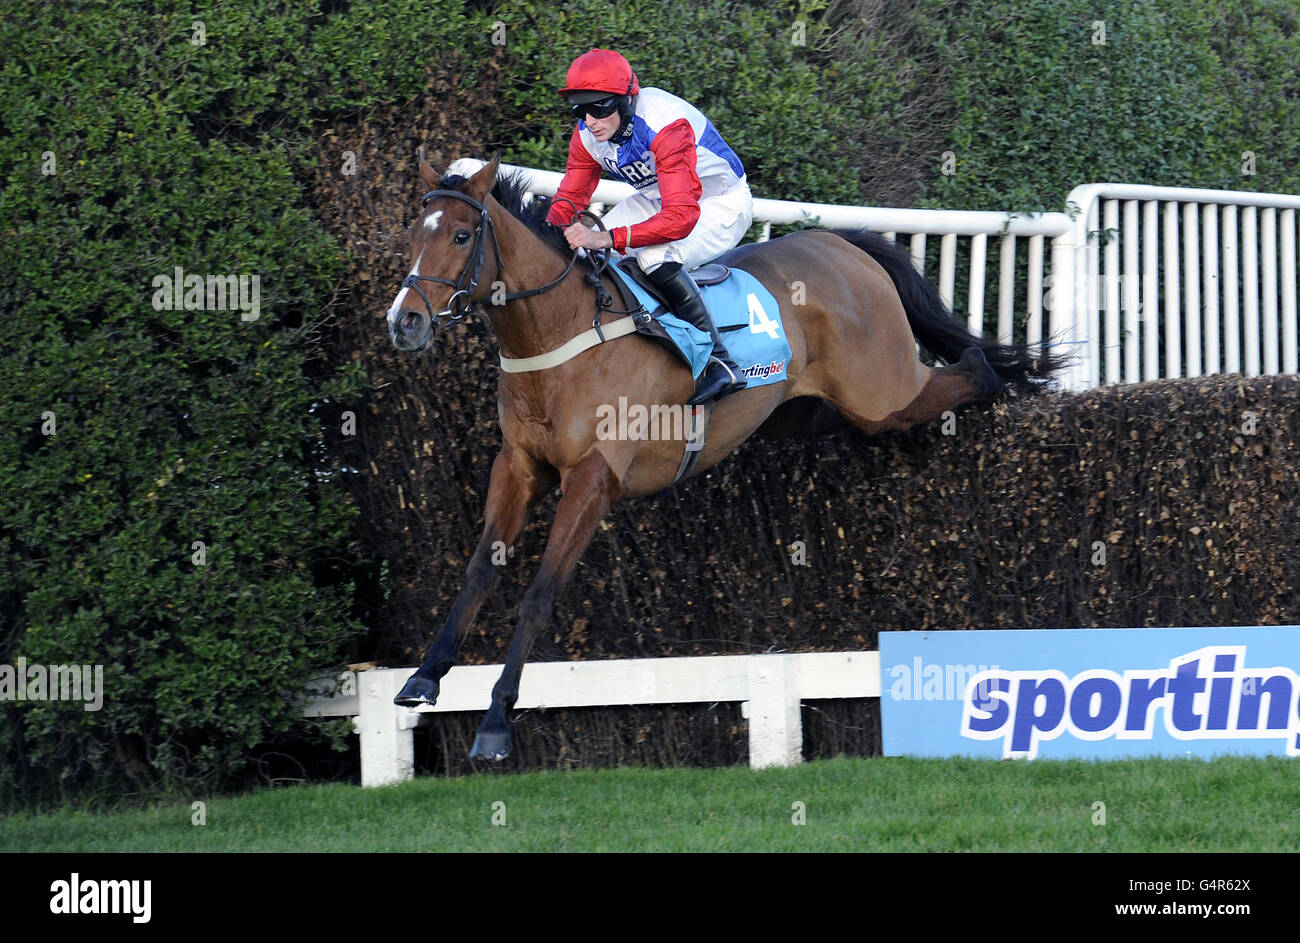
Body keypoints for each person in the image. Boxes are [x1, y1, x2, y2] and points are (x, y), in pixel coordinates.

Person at [545, 49, 753, 404]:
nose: (590, 120)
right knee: (580, 253)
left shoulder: (665, 123)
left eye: (600, 107)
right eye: (580, 109)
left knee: (655, 255)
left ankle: (720, 360)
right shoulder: (586, 135)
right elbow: (570, 199)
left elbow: (680, 218)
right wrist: (544, 233)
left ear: (628, 100)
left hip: (718, 202)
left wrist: (605, 236)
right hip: (659, 198)